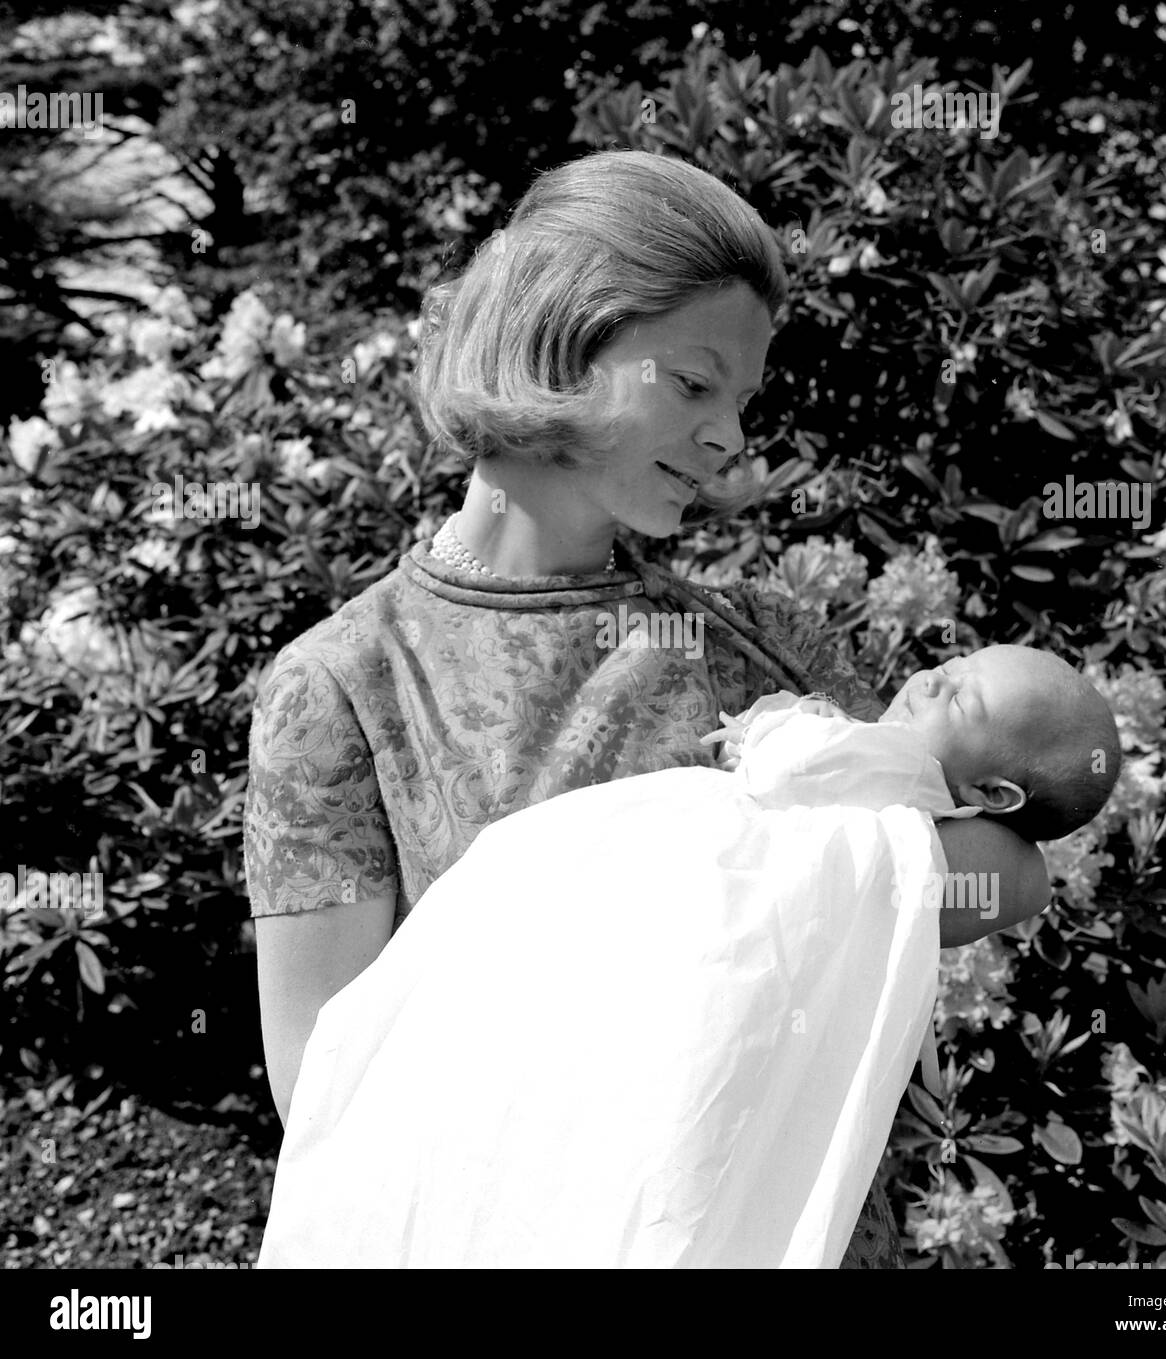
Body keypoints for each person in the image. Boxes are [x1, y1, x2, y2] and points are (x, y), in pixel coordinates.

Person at [244, 147, 1050, 1269]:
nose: (730, 438)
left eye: (744, 400)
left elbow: (1004, 873)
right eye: (692, 383)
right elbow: (324, 1087)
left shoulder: (768, 639)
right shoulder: (340, 684)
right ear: (560, 340)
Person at [254, 644, 1119, 1268]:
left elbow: (1010, 875)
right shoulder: (337, 669)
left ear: (995, 794)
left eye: (964, 699)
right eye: (959, 660)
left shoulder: (911, 801)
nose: (937, 674)